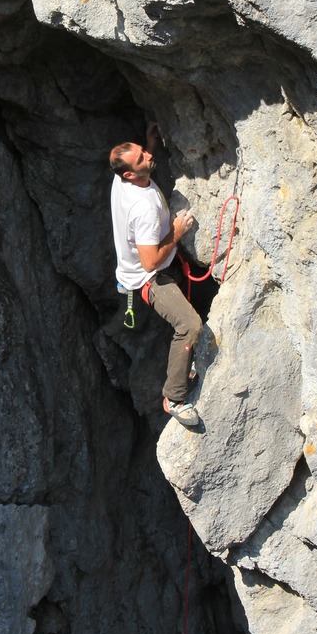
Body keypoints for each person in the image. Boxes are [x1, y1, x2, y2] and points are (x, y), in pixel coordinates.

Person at [109, 129, 202, 427]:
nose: (148, 156)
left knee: (189, 318)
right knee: (189, 325)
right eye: (141, 157)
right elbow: (150, 262)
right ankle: (174, 397)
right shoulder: (144, 209)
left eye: (143, 151)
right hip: (149, 278)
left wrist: (149, 143)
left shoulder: (120, 180)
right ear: (129, 175)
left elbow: (138, 161)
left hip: (141, 268)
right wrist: (176, 232)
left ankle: (184, 366)